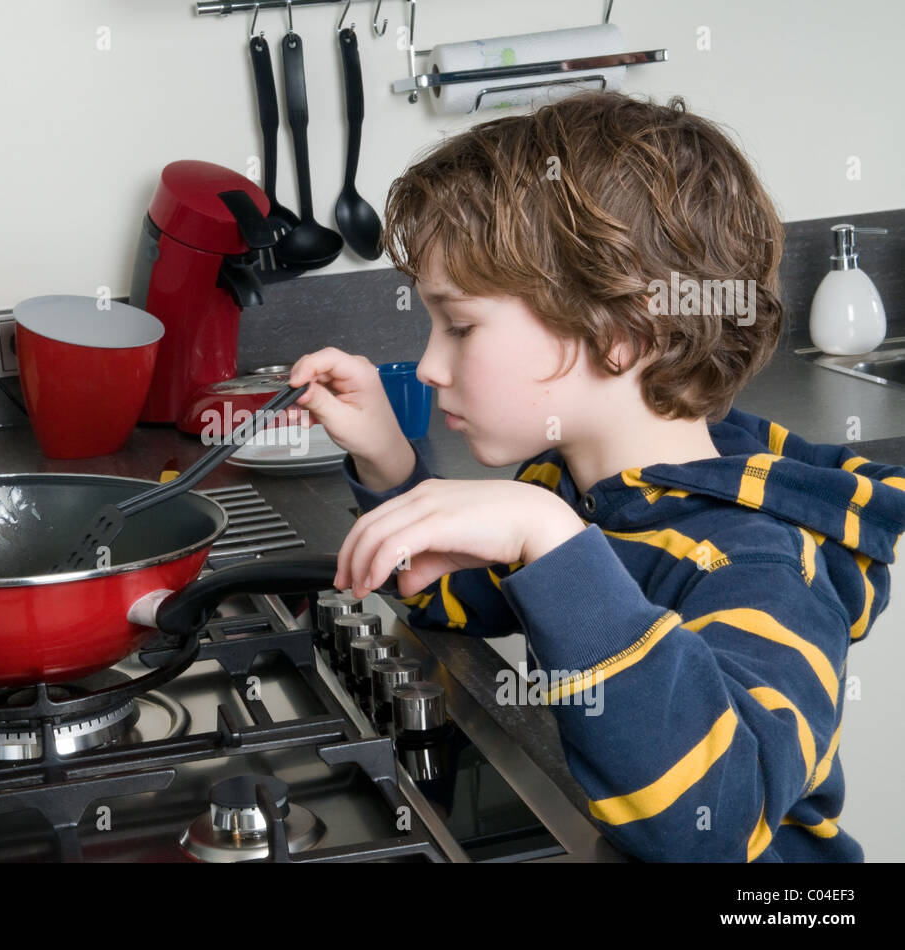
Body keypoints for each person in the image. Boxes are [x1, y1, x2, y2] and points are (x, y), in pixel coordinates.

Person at [287, 90, 905, 862]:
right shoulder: (568, 488)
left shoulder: (765, 563)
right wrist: (387, 456)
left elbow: (706, 822)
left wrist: (549, 539)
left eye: (461, 325)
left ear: (618, 337)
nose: (431, 365)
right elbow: (445, 594)